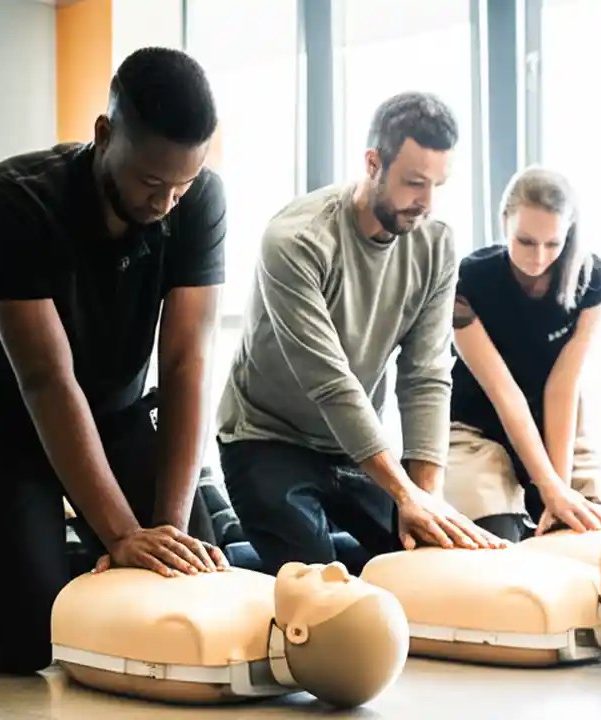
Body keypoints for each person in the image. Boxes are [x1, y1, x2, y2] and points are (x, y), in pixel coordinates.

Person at [0, 47, 229, 674]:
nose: (166, 203)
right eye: (152, 183)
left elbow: (186, 362)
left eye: (182, 186)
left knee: (195, 587)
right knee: (27, 640)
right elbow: (47, 380)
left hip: (119, 416)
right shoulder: (16, 197)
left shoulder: (199, 200)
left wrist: (166, 532)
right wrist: (125, 536)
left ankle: (71, 559)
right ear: (104, 135)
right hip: (10, 425)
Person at [215, 92, 507, 578]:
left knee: (420, 559)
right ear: (373, 164)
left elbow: (427, 377)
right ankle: (226, 543)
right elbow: (331, 384)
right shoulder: (296, 241)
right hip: (266, 437)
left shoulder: (436, 245)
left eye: (438, 185)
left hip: (350, 446)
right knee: (320, 581)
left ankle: (272, 538)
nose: (427, 203)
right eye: (414, 183)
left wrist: (425, 500)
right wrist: (402, 493)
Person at [443, 166, 601, 542]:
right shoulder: (468, 280)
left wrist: (558, 493)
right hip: (479, 428)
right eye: (525, 241)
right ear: (504, 222)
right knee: (496, 538)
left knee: (595, 530)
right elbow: (503, 391)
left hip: (557, 426)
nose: (538, 256)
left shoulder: (591, 278)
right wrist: (550, 489)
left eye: (552, 243)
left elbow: (563, 387)